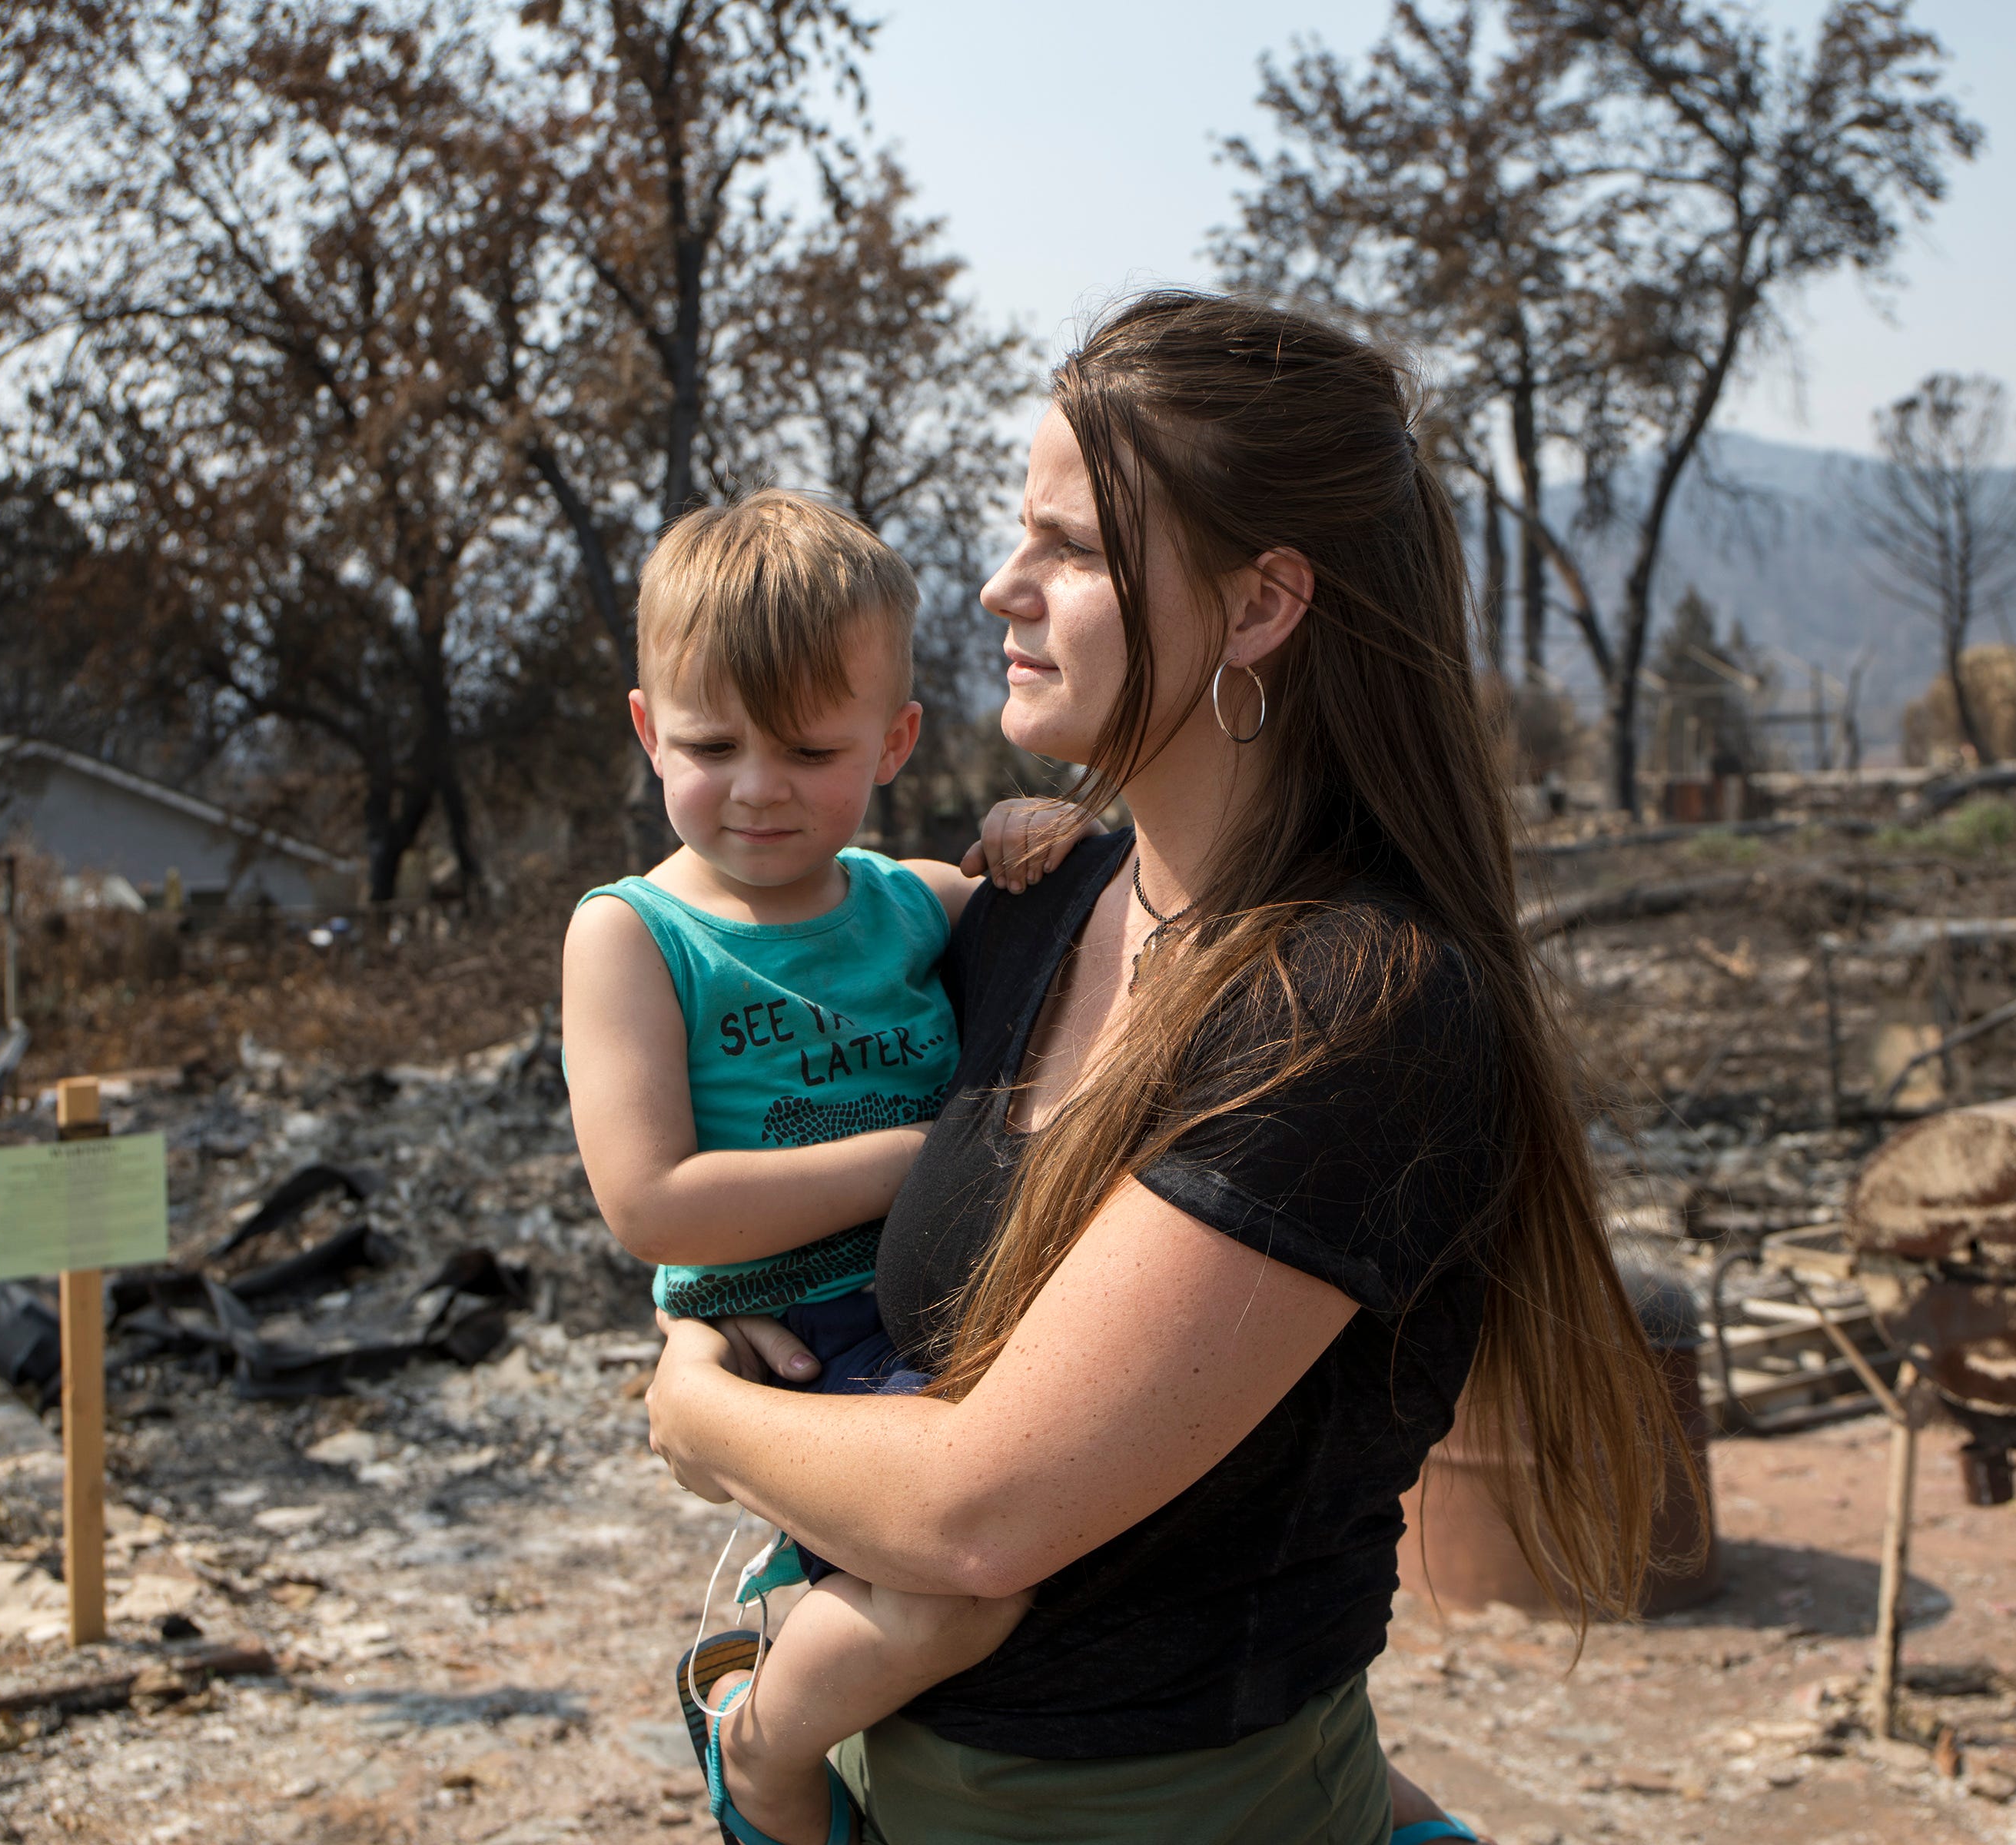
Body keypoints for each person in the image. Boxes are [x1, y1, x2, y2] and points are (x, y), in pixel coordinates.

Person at [646, 291, 1690, 1844]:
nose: (1003, 587)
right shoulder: (1032, 916)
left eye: (1069, 550)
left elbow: (978, 1511)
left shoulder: (1359, 1009)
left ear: (1262, 606)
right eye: (1021, 535)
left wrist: (694, 1414)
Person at [565, 489, 1063, 1845]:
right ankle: (766, 1747)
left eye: (807, 746)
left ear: (895, 739)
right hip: (794, 1325)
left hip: (956, 1307)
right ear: (644, 730)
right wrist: (927, 1159)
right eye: (710, 742)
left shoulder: (915, 899)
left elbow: (1055, 911)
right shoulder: (636, 935)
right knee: (973, 1578)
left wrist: (1034, 830)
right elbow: (648, 1199)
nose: (757, 786)